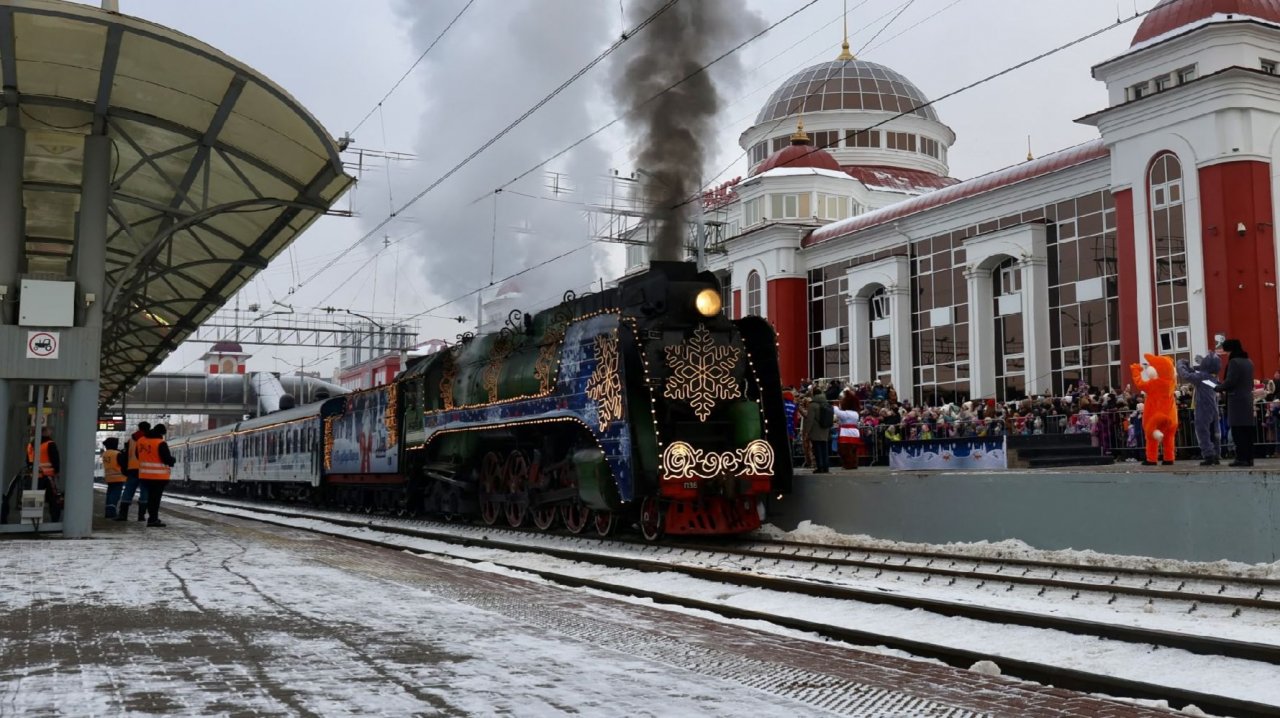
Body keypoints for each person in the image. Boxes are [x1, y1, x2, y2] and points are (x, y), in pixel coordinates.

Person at [1215, 339, 1257, 467]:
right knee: (1248, 431)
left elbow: (1231, 381)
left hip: (1236, 401)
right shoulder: (1249, 362)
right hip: (1247, 400)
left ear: (1231, 350)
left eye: (1226, 351)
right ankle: (1249, 458)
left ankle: (1241, 458)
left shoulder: (1234, 362)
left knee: (1238, 431)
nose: (1226, 354)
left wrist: (1218, 387)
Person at [1177, 353, 1222, 466]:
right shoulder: (1213, 377)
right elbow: (1195, 374)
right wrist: (1190, 367)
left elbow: (1186, 375)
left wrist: (1181, 364)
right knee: (1214, 432)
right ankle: (1216, 454)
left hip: (1203, 407)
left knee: (1203, 431)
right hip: (1213, 407)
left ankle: (1208, 455)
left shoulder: (1202, 377)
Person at [136, 423, 176, 527]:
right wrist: (173, 460)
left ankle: (152, 518)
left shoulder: (141, 441)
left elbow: (137, 455)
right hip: (158, 476)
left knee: (149, 498)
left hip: (144, 475)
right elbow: (167, 459)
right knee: (155, 499)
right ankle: (153, 519)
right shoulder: (160, 443)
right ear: (162, 433)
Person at [115, 421, 151, 522]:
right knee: (144, 492)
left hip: (132, 469)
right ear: (149, 428)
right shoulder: (148, 439)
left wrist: (125, 468)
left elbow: (126, 455)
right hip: (145, 469)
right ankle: (141, 516)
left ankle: (123, 515)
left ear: (139, 428)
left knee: (128, 491)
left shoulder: (131, 440)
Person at [25, 426, 62, 522]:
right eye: (49, 430)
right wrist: (57, 471)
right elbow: (55, 460)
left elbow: (28, 461)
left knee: (34, 498)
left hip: (34, 476)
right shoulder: (50, 444)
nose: (51, 432)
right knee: (53, 499)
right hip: (48, 476)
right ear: (44, 432)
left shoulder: (30, 445)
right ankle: (55, 520)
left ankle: (31, 520)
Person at [802, 387, 833, 473]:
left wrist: (806, 431)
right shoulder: (826, 403)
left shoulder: (813, 405)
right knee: (824, 449)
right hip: (825, 429)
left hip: (816, 430)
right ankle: (826, 467)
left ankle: (820, 467)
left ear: (813, 394)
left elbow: (810, 420)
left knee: (817, 449)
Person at [833, 391, 861, 470]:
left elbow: (837, 412)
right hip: (855, 432)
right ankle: (854, 463)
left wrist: (835, 405)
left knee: (845, 450)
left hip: (846, 433)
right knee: (853, 450)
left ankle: (848, 464)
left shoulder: (846, 413)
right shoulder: (856, 413)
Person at [101, 437, 126, 518]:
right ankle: (111, 513)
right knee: (115, 495)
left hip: (109, 477)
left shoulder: (105, 453)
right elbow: (123, 464)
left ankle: (107, 512)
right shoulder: (116, 454)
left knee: (109, 494)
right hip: (118, 477)